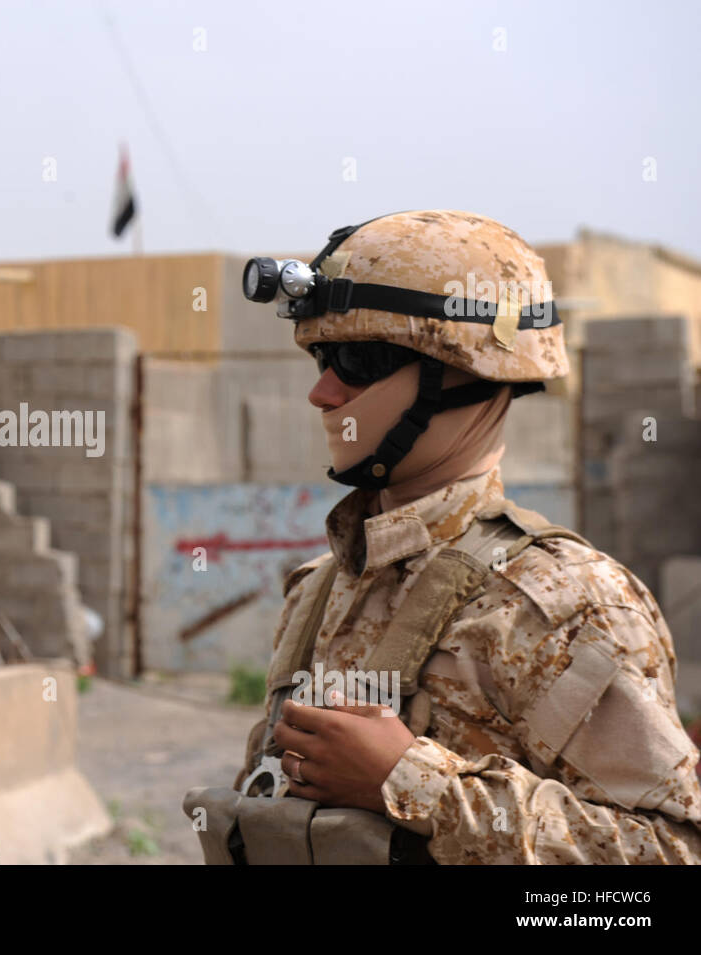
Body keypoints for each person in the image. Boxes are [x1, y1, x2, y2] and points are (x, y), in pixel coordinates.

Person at [193, 209, 700, 864]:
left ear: (466, 371)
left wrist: (410, 781)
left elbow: (671, 852)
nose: (322, 392)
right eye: (322, 357)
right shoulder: (321, 586)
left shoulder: (570, 603)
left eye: (358, 360)